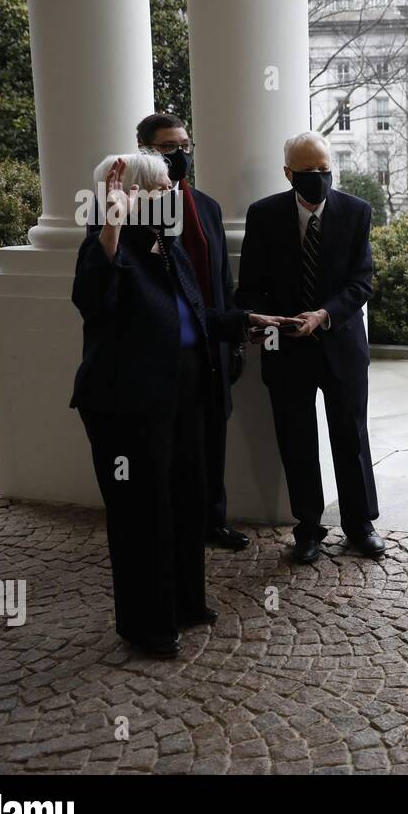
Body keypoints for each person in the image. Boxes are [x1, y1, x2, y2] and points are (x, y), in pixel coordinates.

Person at [70, 152, 283, 658]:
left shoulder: (166, 245)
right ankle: (146, 626)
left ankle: (185, 603)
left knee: (188, 500)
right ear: (134, 195)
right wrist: (110, 225)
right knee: (142, 515)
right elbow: (93, 300)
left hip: (185, 395)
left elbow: (194, 315)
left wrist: (245, 320)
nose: (175, 193)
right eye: (163, 187)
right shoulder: (106, 246)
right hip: (128, 406)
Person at [235, 132, 384, 565]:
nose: (318, 178)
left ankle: (360, 525)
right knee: (296, 439)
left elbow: (362, 282)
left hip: (341, 345)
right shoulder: (263, 215)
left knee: (350, 437)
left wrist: (324, 314)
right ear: (288, 174)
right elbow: (251, 287)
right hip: (286, 348)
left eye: (324, 170)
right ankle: (308, 528)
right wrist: (265, 321)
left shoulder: (357, 212)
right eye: (308, 173)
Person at [136, 112, 251, 553]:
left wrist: (233, 340)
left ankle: (212, 522)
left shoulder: (207, 206)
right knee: (169, 447)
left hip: (212, 344)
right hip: (165, 352)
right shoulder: (128, 212)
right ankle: (171, 527)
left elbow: (221, 279)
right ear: (144, 150)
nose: (180, 155)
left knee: (212, 439)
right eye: (168, 148)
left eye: (185, 145)